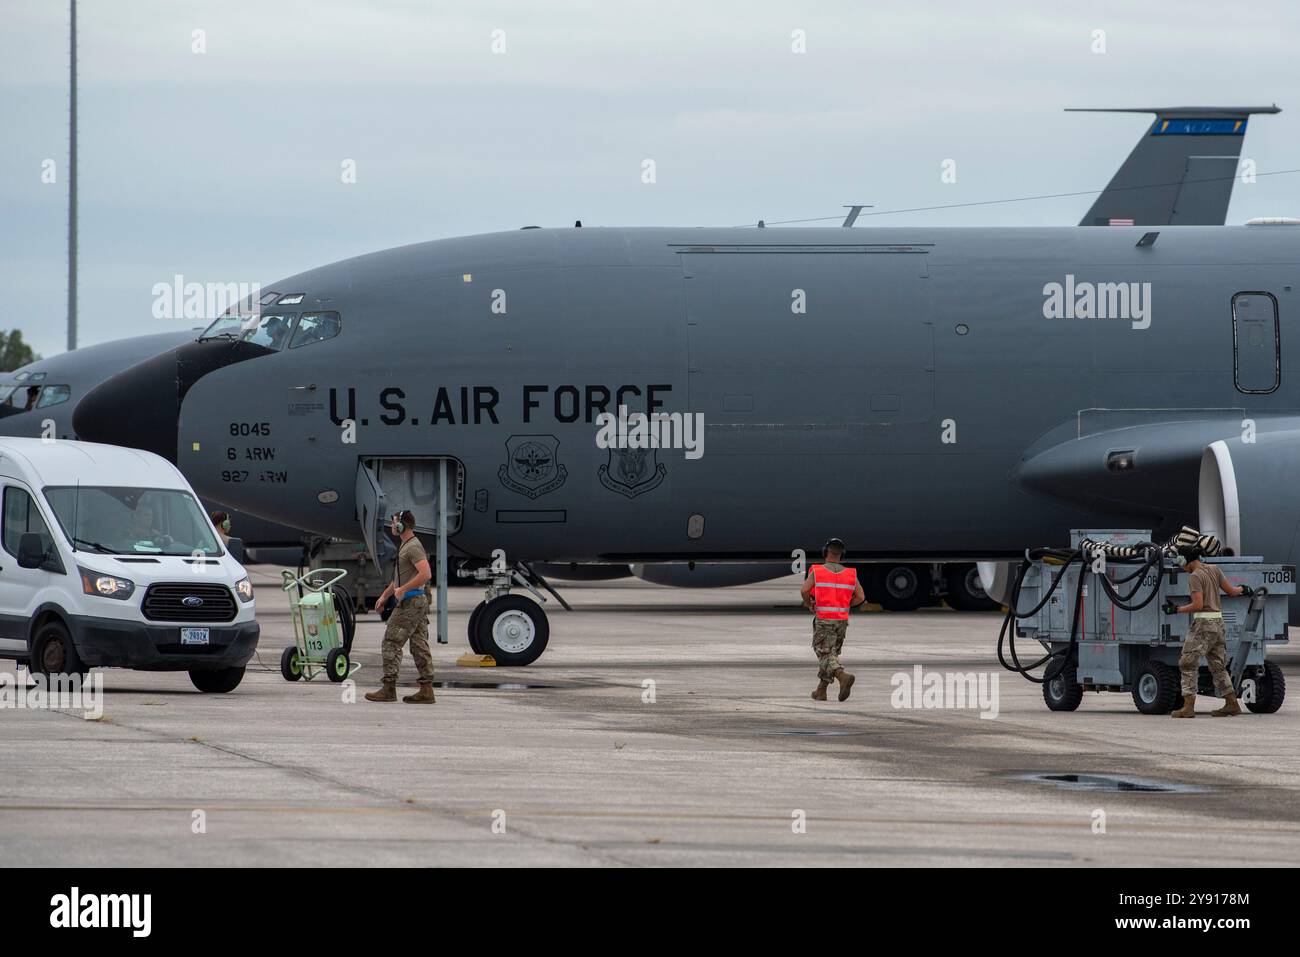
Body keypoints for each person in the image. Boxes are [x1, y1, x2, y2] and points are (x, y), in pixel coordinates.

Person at [1163, 544, 1253, 718]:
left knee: (1187, 662)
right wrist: (1244, 589)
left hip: (1203, 624)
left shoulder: (1195, 576)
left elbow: (1197, 604)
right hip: (1219, 623)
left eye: (1180, 560)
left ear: (1186, 560)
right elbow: (1232, 592)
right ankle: (1231, 703)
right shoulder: (1214, 569)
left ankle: (1188, 707)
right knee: (1218, 666)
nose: (1180, 565)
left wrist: (1176, 610)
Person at [365, 510, 435, 704]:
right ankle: (427, 690)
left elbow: (426, 574)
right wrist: (385, 595)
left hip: (411, 603)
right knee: (419, 645)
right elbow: (399, 577)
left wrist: (403, 589)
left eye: (394, 523)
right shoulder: (406, 545)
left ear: (402, 525)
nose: (392, 526)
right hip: (416, 602)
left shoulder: (413, 547)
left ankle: (388, 688)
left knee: (391, 642)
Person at [800, 538, 866, 701]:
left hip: (824, 620)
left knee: (824, 653)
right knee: (831, 654)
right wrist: (846, 604)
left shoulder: (818, 571)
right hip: (842, 621)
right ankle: (821, 691)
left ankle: (842, 676)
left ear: (825, 552)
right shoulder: (850, 574)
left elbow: (804, 590)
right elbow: (861, 597)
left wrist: (810, 604)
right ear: (842, 555)